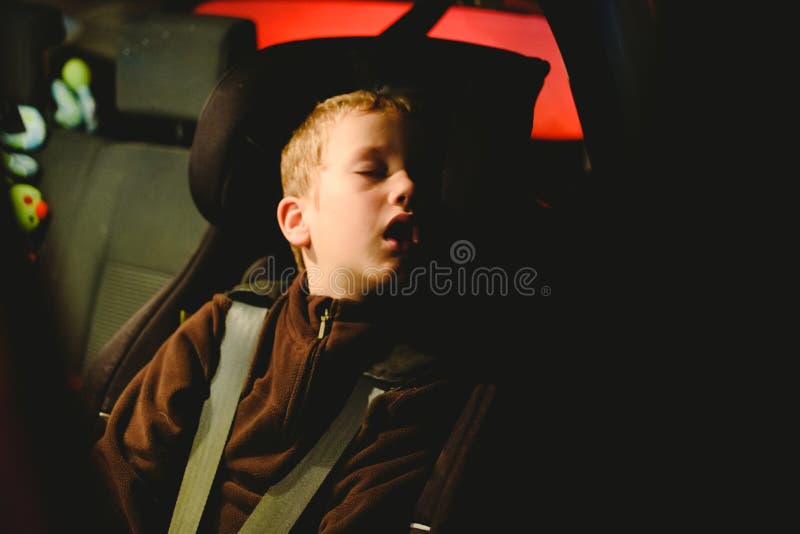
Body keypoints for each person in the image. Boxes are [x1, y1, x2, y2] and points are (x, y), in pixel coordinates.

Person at [91, 89, 473, 533]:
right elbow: (118, 480)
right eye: (372, 170)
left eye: (419, 176)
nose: (407, 187)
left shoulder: (410, 391)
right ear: (296, 221)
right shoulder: (220, 329)